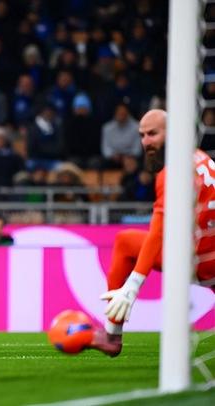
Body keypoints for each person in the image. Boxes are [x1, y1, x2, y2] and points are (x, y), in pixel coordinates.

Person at [90, 109, 215, 356]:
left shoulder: (173, 172)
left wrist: (132, 287)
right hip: (208, 254)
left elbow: (157, 233)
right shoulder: (201, 158)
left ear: (174, 133)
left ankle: (112, 335)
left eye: (153, 134)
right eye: (142, 135)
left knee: (125, 242)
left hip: (197, 260)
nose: (146, 142)